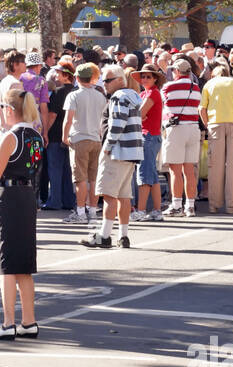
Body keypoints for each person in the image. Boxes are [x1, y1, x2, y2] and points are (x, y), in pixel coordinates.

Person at [0, 86, 43, 340]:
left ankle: (8, 322)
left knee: (6, 264)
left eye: (2, 107)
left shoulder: (11, 137)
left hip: (9, 197)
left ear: (8, 109)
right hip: (27, 195)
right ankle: (29, 320)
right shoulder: (35, 135)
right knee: (24, 262)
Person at [84, 64, 142, 247]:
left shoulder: (118, 97)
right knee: (124, 196)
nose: (105, 84)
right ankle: (123, 236)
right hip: (131, 152)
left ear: (119, 80)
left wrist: (107, 147)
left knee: (109, 195)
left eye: (108, 80)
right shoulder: (132, 96)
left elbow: (117, 124)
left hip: (117, 152)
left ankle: (104, 235)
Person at [62, 62, 107, 224]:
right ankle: (93, 212)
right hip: (96, 139)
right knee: (93, 178)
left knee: (80, 178)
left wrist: (64, 136)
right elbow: (103, 120)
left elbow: (68, 120)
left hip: (79, 138)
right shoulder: (100, 96)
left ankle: (81, 212)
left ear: (78, 78)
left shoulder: (73, 95)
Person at [200, 63, 233, 215]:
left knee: (215, 166)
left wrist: (208, 125)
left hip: (215, 124)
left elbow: (202, 108)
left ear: (214, 75)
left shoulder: (209, 84)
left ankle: (214, 204)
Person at [160, 59, 202, 217]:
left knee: (175, 170)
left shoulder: (168, 87)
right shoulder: (196, 87)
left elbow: (165, 105)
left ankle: (177, 205)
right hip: (193, 128)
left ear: (177, 71)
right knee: (189, 170)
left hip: (176, 129)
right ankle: (190, 206)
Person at [42, 61, 76, 212]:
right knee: (67, 170)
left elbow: (52, 115)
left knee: (55, 169)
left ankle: (55, 201)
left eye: (58, 72)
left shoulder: (59, 92)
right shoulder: (74, 91)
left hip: (56, 136)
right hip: (70, 136)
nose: (55, 75)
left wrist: (45, 133)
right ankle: (68, 200)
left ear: (65, 74)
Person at [132, 64, 164, 219]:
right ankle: (157, 211)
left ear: (155, 78)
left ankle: (141, 210)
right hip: (149, 135)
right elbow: (138, 114)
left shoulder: (152, 93)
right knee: (151, 174)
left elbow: (139, 113)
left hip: (149, 136)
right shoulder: (145, 93)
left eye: (148, 76)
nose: (144, 79)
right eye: (143, 76)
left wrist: (139, 116)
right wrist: (139, 116)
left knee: (144, 174)